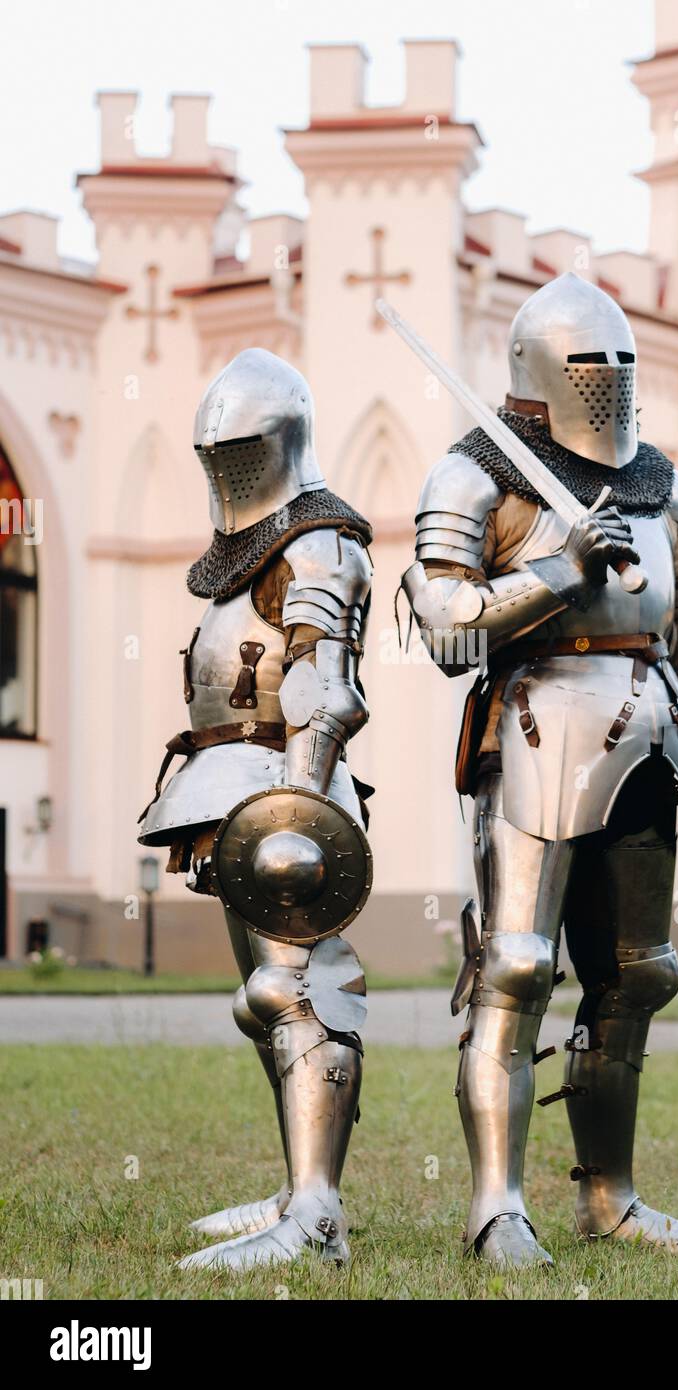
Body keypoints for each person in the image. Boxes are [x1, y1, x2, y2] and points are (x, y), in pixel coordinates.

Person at [401, 273, 678, 1266]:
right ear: (535, 372)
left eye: (618, 361)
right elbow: (442, 627)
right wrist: (556, 570)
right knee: (517, 966)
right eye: (585, 362)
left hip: (653, 736)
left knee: (636, 973)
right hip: (534, 728)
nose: (605, 379)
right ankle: (496, 1208)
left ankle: (606, 1196)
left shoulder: (665, 483)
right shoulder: (475, 475)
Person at [139, 349, 374, 1269]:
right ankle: (294, 1189)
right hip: (230, 788)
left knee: (302, 989)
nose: (226, 469)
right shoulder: (251, 552)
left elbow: (326, 690)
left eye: (240, 450)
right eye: (215, 453)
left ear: (282, 444)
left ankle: (316, 1218)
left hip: (284, 790)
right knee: (262, 999)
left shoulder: (319, 543)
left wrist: (301, 813)